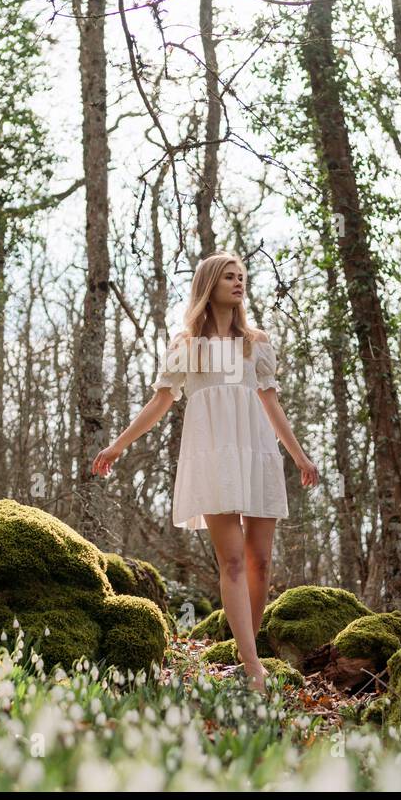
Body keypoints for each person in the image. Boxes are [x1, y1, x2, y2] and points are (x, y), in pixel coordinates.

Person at [91, 253, 318, 694]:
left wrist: (299, 455)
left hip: (255, 451)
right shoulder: (187, 345)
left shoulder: (257, 342)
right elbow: (160, 401)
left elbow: (270, 402)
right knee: (231, 560)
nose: (239, 283)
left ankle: (246, 651)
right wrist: (119, 444)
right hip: (212, 454)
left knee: (261, 561)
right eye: (230, 277)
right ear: (209, 283)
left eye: (242, 277)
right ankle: (253, 667)